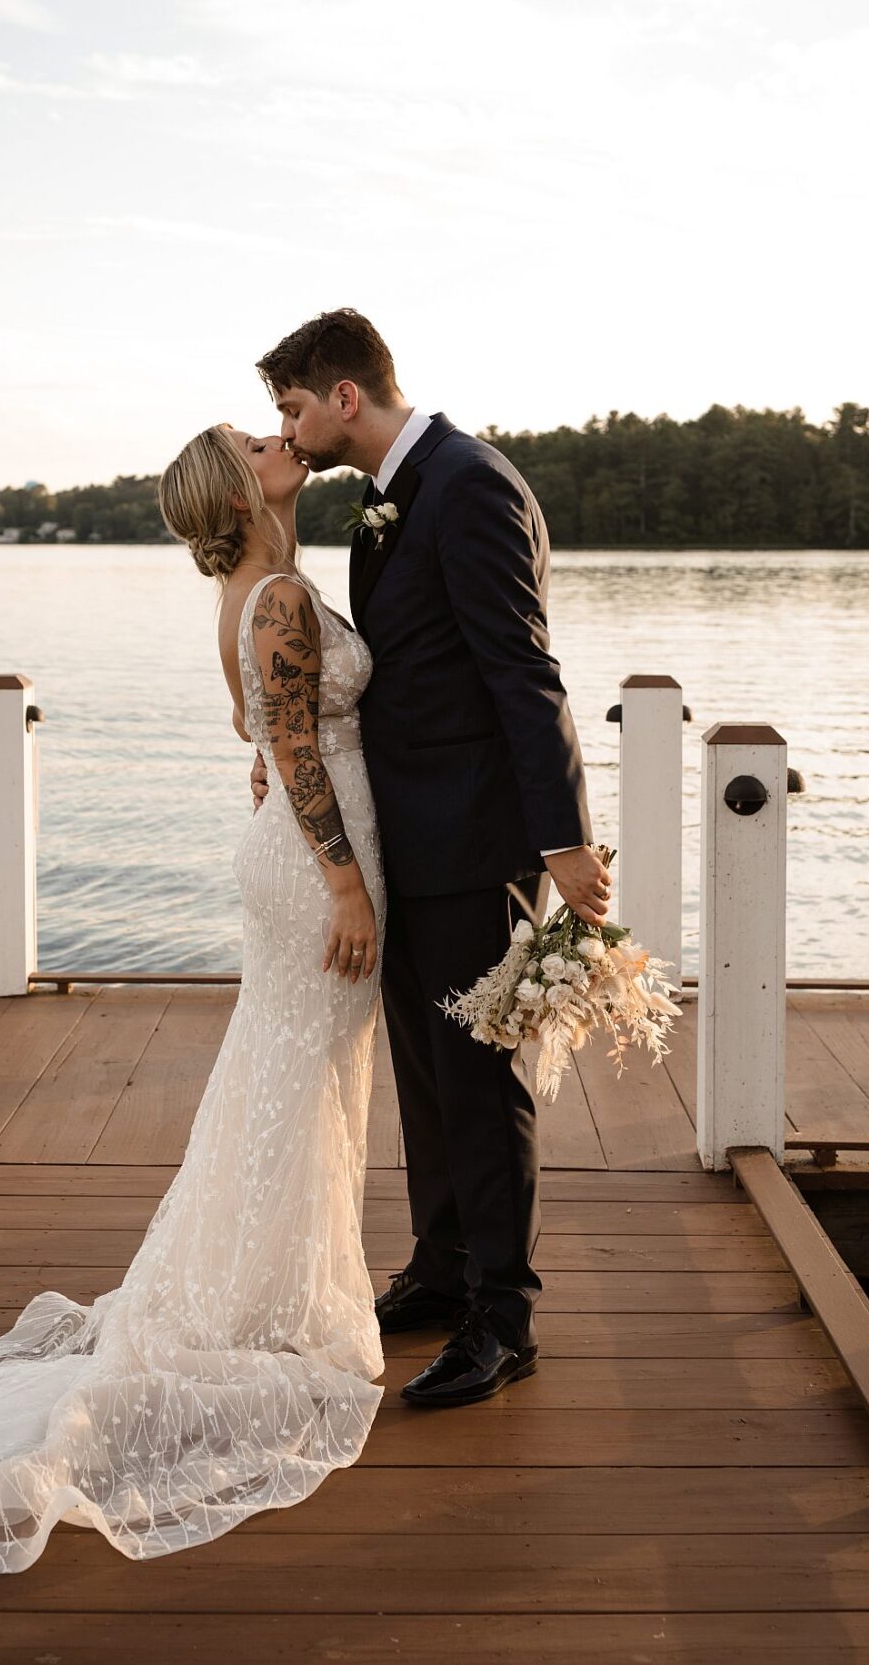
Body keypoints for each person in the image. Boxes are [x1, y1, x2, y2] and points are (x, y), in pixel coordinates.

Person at [0, 423, 386, 1570]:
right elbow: (296, 751)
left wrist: (286, 769)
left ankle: (265, 1291)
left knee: (290, 1079)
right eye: (255, 440)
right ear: (237, 491)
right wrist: (347, 885)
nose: (278, 437)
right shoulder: (277, 599)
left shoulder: (252, 594)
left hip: (298, 855)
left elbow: (258, 732)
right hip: (319, 870)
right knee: (298, 1080)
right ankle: (264, 1305)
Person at [257, 307, 603, 1408]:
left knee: (481, 1077)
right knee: (424, 1070)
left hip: (476, 836)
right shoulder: (388, 495)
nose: (289, 431)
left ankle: (504, 1315)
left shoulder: (467, 484)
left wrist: (564, 840)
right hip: (404, 832)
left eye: (294, 408)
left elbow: (523, 668)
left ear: (344, 396)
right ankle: (444, 1264)